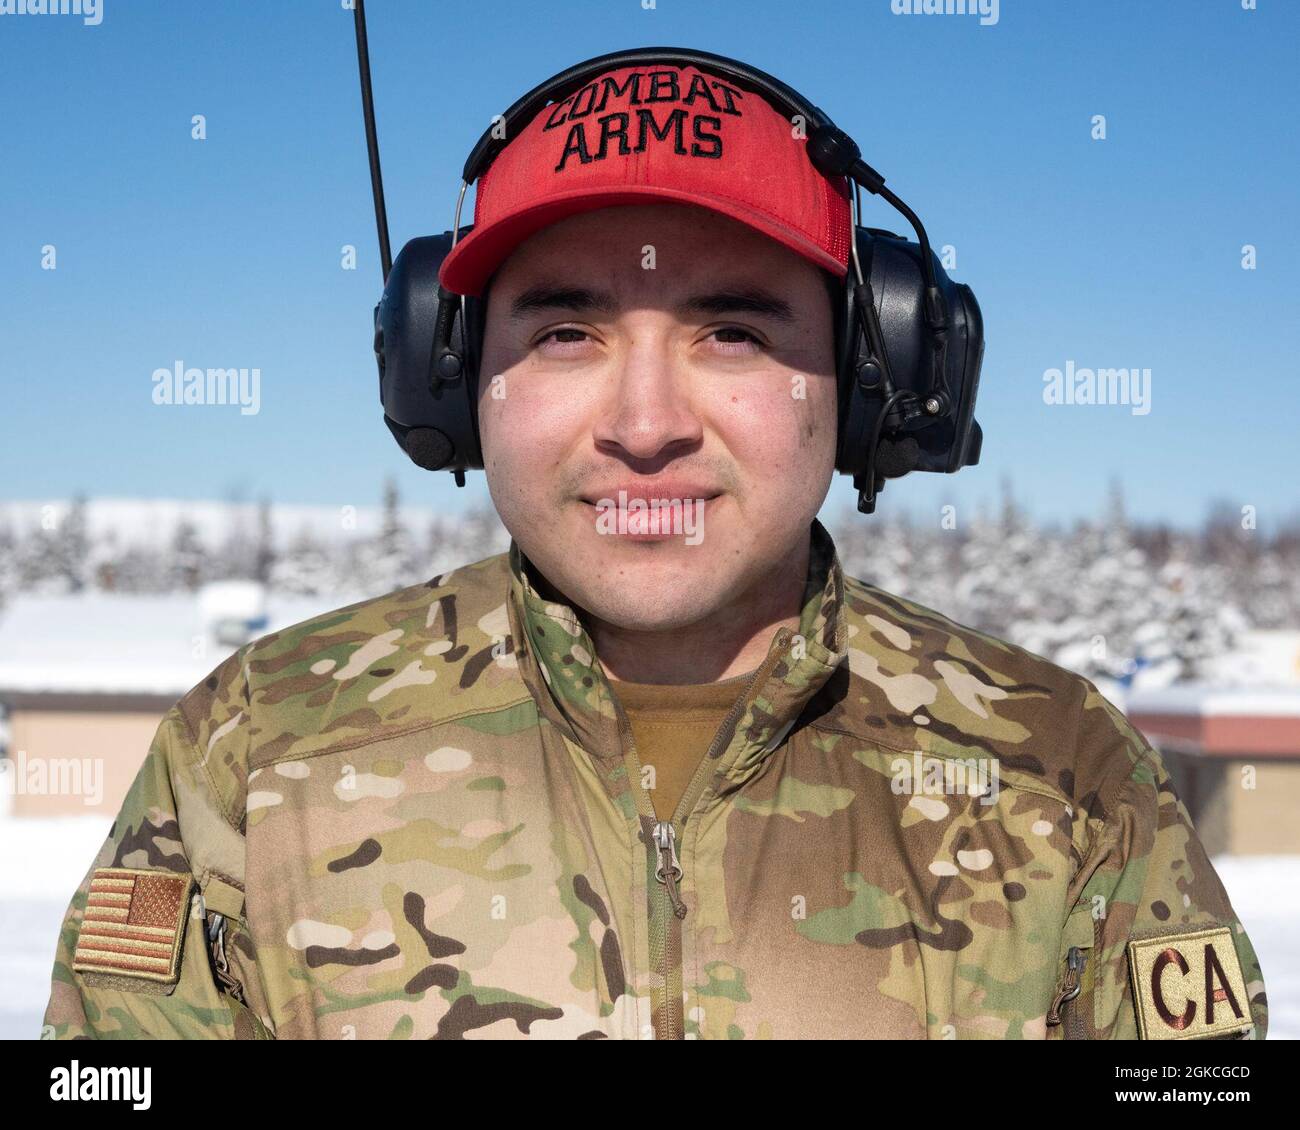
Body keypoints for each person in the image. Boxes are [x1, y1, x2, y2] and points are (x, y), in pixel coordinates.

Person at [42, 56, 1266, 1041]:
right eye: (566, 330)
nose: (643, 425)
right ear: (451, 373)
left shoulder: (1058, 771)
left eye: (731, 331)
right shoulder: (257, 752)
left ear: (870, 373)